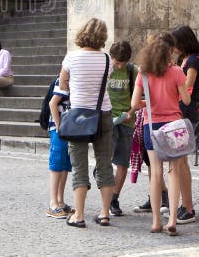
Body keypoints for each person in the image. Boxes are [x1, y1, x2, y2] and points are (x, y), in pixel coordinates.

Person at [131, 33, 191, 235]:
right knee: (173, 171)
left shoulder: (143, 73)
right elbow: (186, 100)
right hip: (173, 126)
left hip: (151, 126)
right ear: (171, 52)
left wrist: (145, 103)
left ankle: (156, 221)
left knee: (155, 173)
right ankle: (172, 219)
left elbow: (134, 104)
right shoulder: (176, 72)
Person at [59, 18, 115, 228]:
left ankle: (79, 214)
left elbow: (63, 83)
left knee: (79, 165)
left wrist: (74, 88)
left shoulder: (71, 58)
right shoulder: (107, 59)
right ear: (103, 37)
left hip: (78, 116)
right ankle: (104, 213)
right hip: (103, 114)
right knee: (104, 163)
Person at [171, 25, 199, 225]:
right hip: (179, 112)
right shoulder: (184, 59)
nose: (174, 47)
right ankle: (184, 204)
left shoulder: (193, 61)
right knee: (179, 162)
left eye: (176, 43)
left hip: (186, 113)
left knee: (182, 162)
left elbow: (188, 89)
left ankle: (188, 206)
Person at [106, 40, 136, 217]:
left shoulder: (132, 71)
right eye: (115, 62)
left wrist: (131, 111)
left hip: (126, 121)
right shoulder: (106, 69)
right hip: (108, 119)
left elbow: (138, 96)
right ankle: (106, 193)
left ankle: (114, 199)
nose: (118, 66)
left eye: (121, 63)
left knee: (123, 163)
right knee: (106, 158)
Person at [45, 74, 73, 219]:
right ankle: (53, 202)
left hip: (69, 127)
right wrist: (58, 126)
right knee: (57, 162)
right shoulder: (63, 80)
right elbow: (52, 103)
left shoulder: (75, 79)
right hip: (60, 127)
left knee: (65, 164)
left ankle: (60, 200)